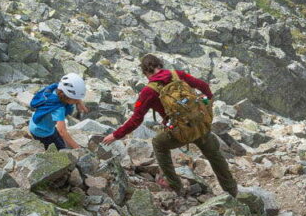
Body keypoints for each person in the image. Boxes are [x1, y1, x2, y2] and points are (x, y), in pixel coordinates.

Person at [102, 54, 237, 198]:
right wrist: (207, 101)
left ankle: (176, 186)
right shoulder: (177, 75)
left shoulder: (148, 91)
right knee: (214, 155)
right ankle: (231, 191)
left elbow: (136, 119)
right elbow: (203, 85)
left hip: (179, 132)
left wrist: (116, 135)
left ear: (145, 72)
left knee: (158, 144)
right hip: (199, 124)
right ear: (160, 65)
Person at [28, 73, 87, 150]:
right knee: (61, 150)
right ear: (67, 97)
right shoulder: (58, 109)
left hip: (38, 123)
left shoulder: (55, 89)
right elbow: (62, 131)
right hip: (41, 132)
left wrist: (79, 102)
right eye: (75, 100)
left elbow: (70, 95)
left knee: (61, 140)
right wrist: (77, 147)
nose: (77, 101)